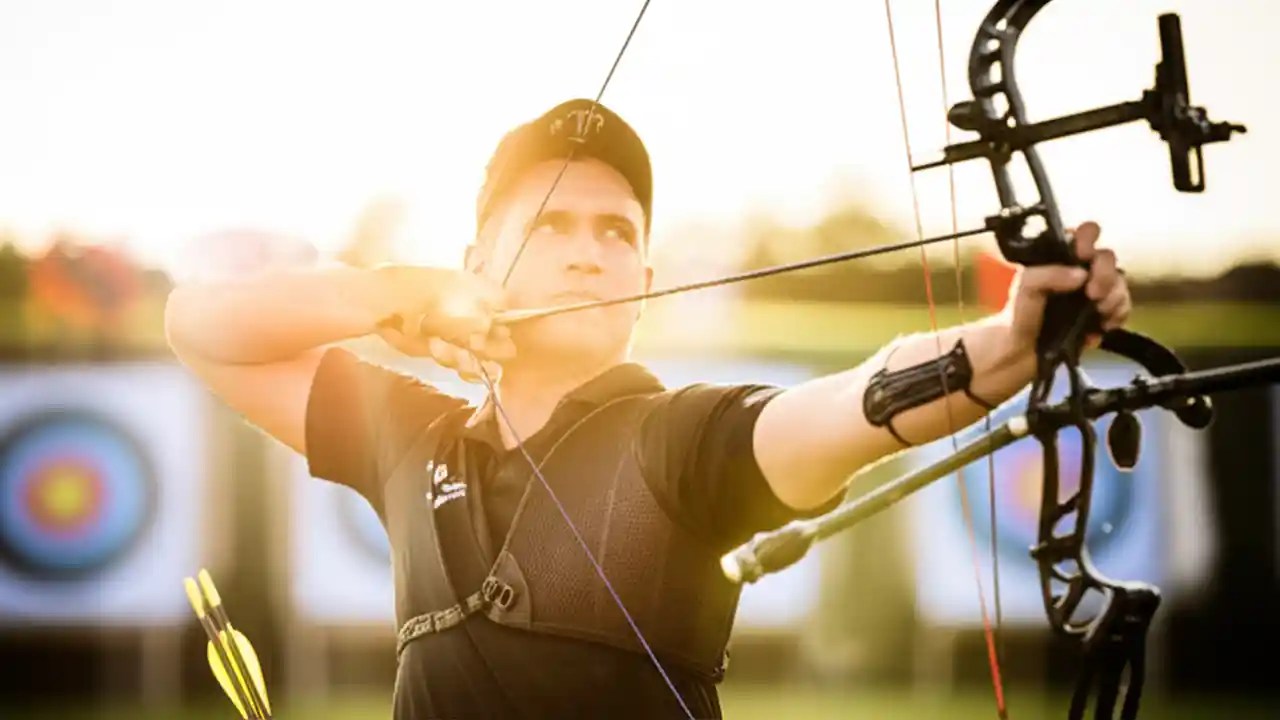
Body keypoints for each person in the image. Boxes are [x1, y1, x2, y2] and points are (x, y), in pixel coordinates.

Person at [164, 98, 1132, 719]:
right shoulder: (404, 437)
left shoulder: (679, 440)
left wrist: (1006, 344)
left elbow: (848, 406)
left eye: (616, 232)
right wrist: (385, 293)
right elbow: (197, 326)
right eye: (549, 223)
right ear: (472, 270)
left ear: (644, 277)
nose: (588, 252)